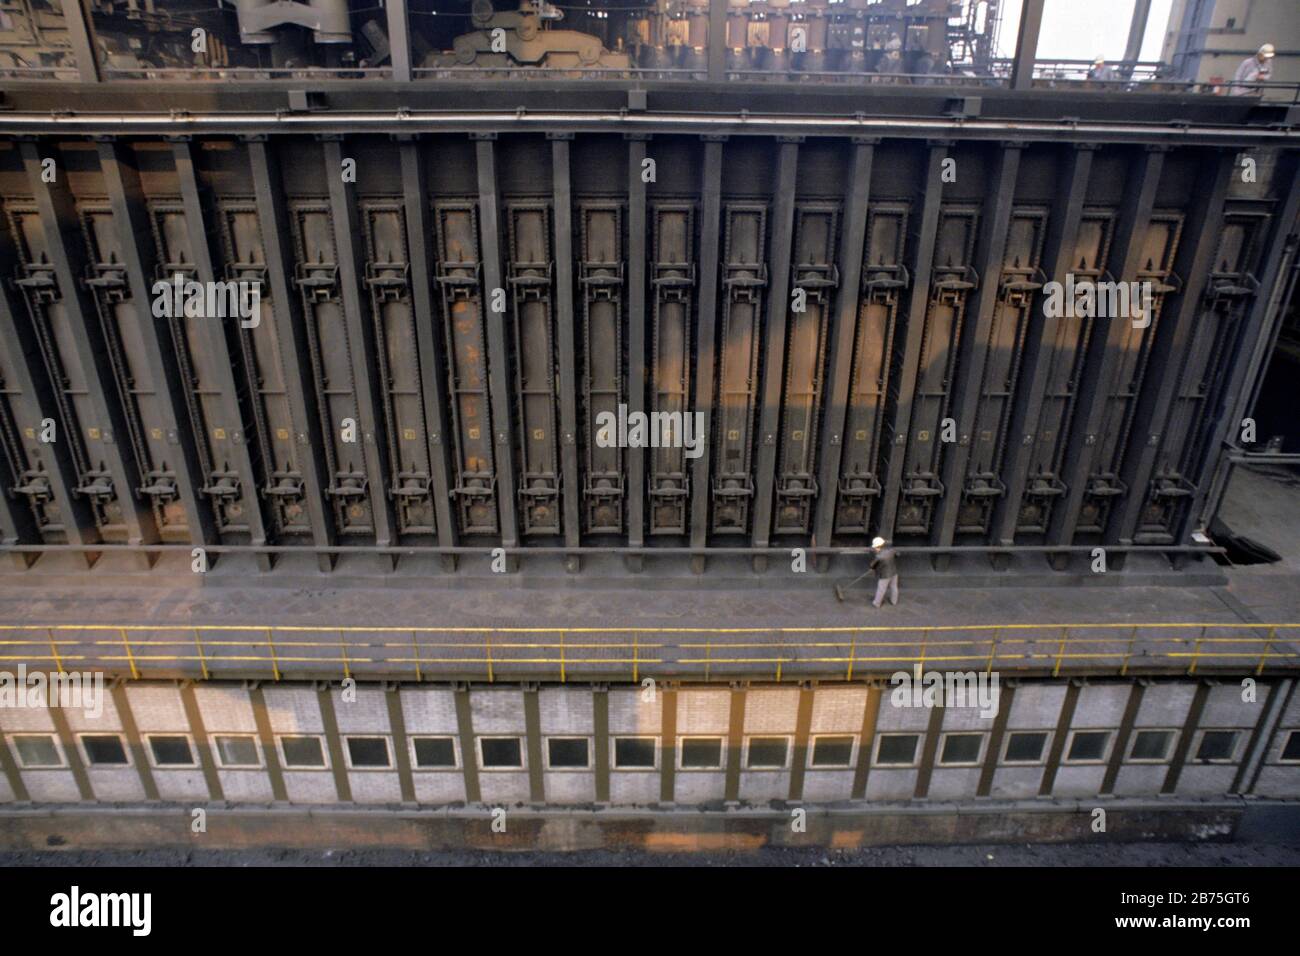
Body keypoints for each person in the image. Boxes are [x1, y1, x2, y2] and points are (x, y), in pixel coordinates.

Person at [868, 536, 899, 608]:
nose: (875, 549)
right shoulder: (892, 550)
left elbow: (872, 565)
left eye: (875, 547)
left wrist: (871, 568)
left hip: (885, 575)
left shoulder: (879, 556)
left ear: (878, 546)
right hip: (894, 572)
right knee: (894, 587)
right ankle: (894, 601)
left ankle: (877, 603)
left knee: (881, 589)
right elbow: (898, 554)